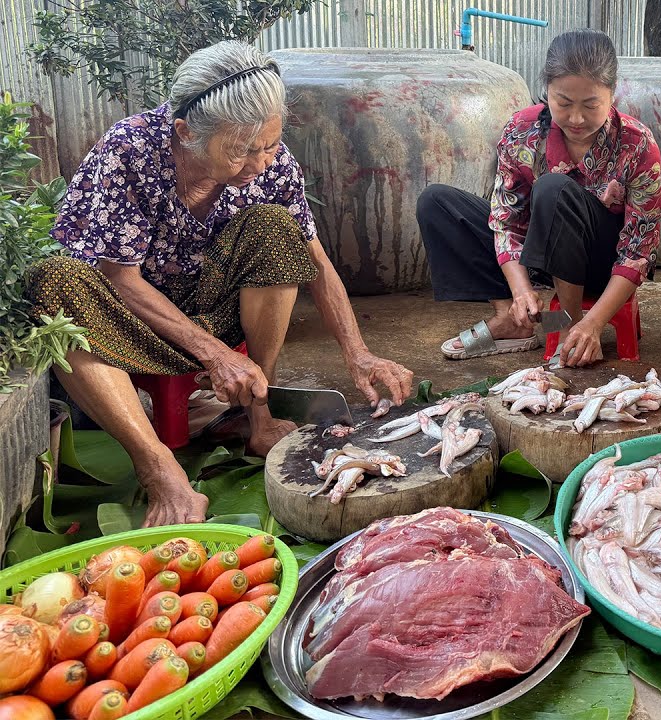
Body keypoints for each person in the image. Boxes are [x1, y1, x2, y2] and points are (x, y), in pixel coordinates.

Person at [26, 41, 415, 527]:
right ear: (186, 133)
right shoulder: (131, 150)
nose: (260, 164)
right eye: (240, 151)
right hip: (132, 321)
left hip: (213, 305)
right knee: (52, 281)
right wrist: (215, 354)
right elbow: (118, 277)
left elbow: (315, 261)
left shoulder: (271, 164)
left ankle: (259, 417)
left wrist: (358, 352)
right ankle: (159, 469)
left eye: (270, 144)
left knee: (276, 228)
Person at [418, 29, 661, 367]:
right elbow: (507, 219)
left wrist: (592, 324)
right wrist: (520, 290)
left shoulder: (637, 144)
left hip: (601, 264)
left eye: (591, 105)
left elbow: (639, 250)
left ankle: (569, 322)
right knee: (437, 203)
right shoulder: (522, 130)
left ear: (612, 94)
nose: (576, 119)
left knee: (552, 189)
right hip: (541, 252)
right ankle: (511, 319)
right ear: (546, 90)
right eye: (563, 103)